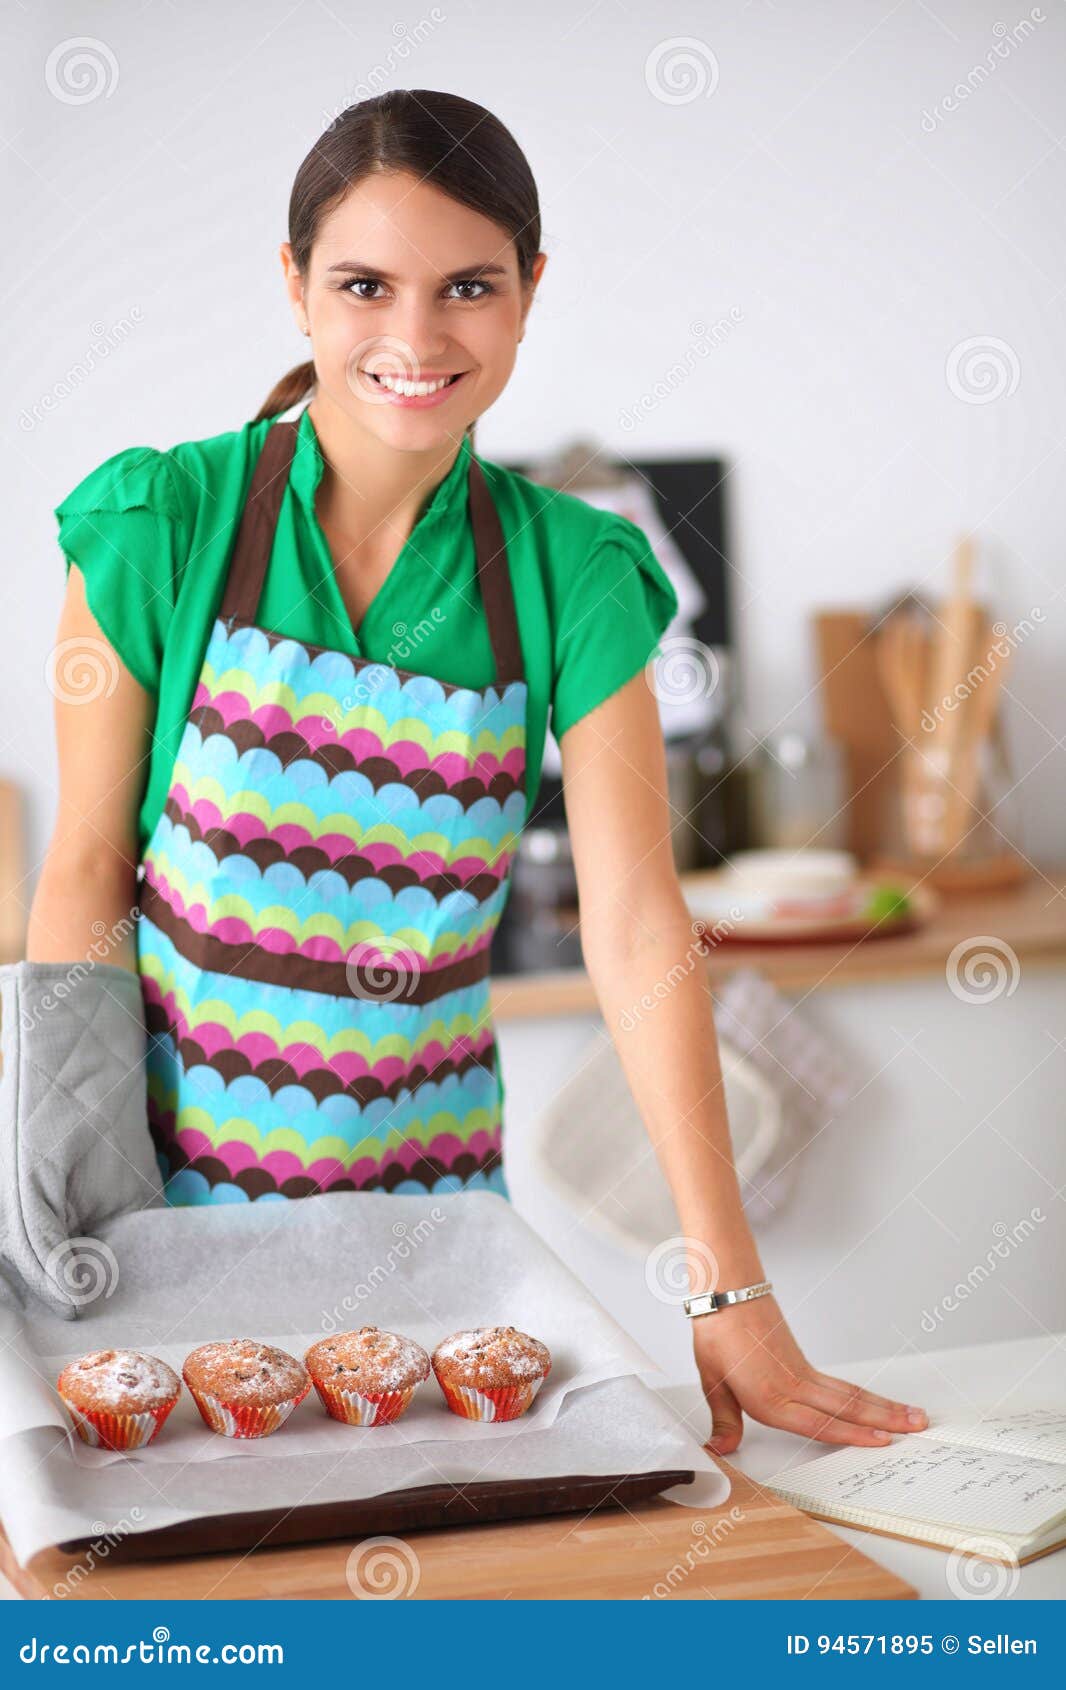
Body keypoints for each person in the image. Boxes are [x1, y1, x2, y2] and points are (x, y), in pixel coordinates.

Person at [30, 89, 926, 1456]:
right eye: (362, 285)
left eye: (466, 286)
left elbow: (636, 926)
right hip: (160, 1228)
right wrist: (81, 1214)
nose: (413, 336)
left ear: (527, 294)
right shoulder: (164, 524)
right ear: (294, 289)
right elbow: (83, 880)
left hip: (433, 1237)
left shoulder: (572, 569)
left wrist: (725, 1277)